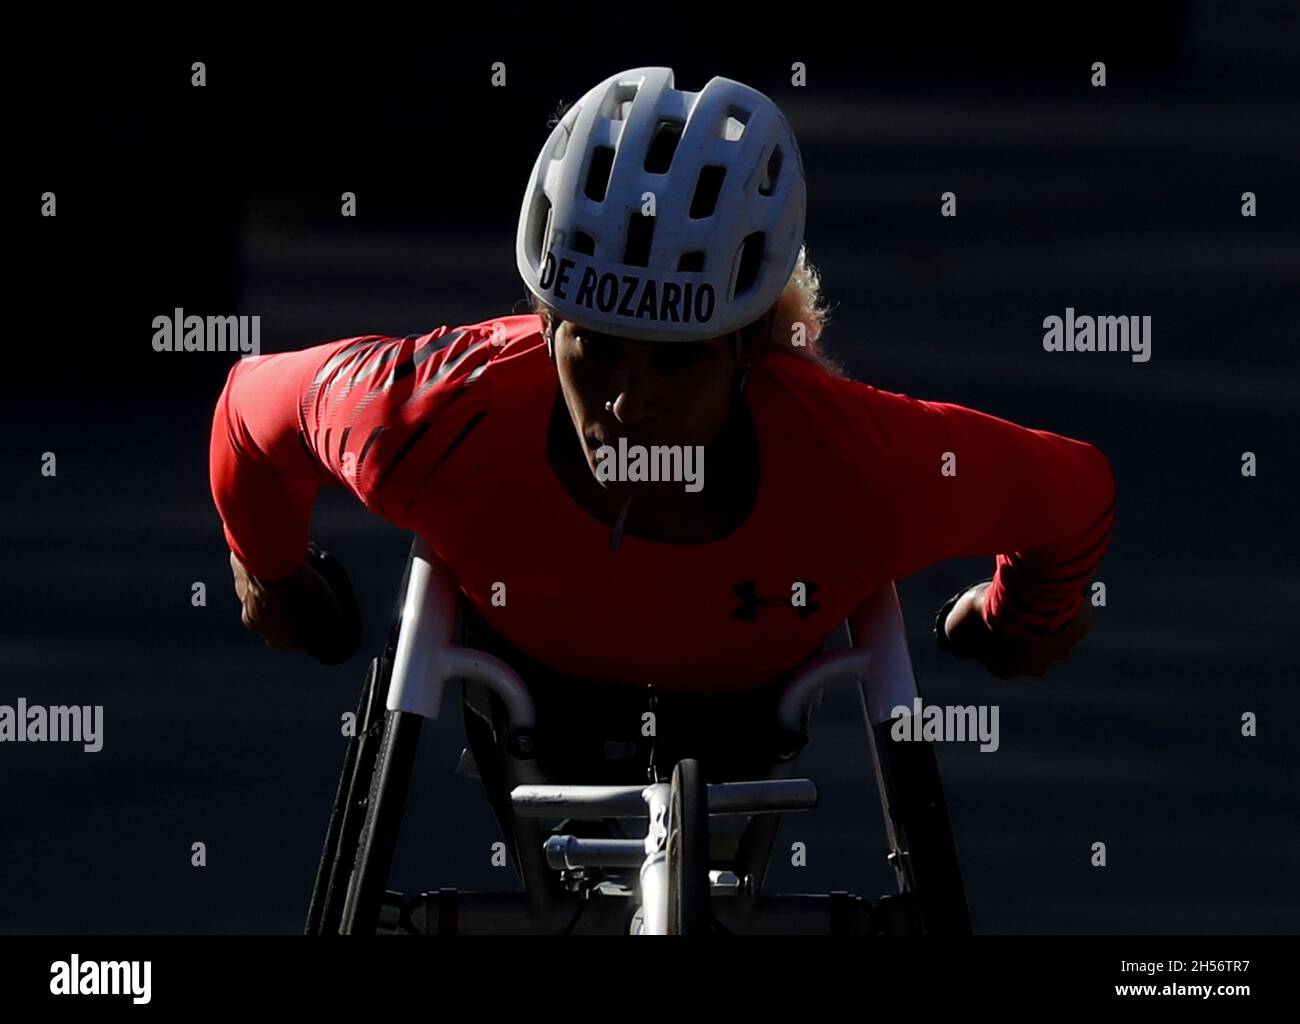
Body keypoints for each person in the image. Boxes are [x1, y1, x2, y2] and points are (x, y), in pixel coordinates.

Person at [210, 68, 1113, 859]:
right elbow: (250, 407)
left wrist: (282, 576)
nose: (630, 400)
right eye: (596, 346)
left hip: (736, 696)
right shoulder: (435, 406)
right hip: (537, 683)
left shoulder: (861, 458)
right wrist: (270, 571)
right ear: (544, 321)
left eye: (677, 357)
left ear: (752, 347)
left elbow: (1077, 493)